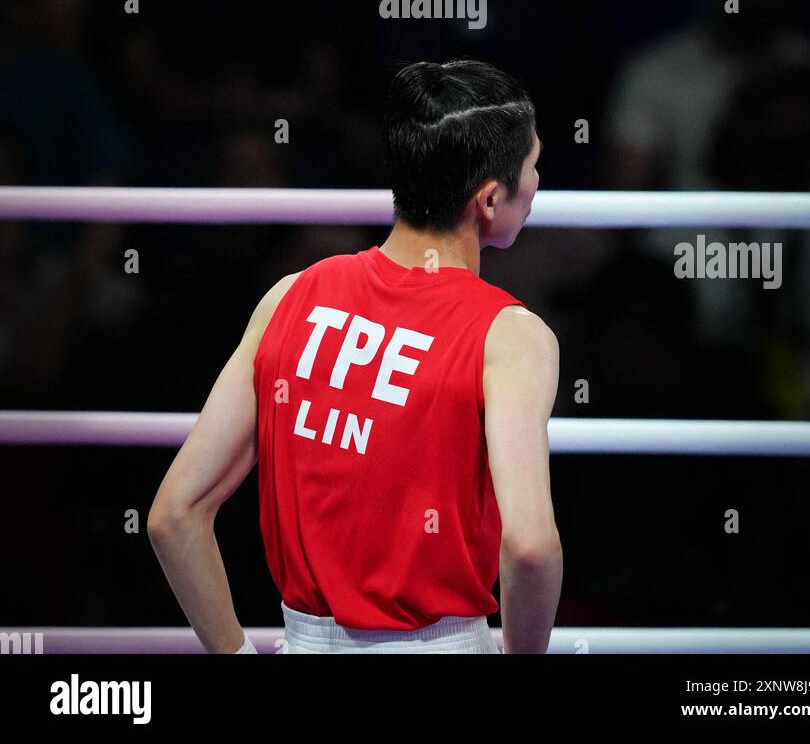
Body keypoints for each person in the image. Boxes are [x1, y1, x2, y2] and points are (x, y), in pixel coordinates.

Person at [148, 59, 562, 654]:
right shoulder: (510, 335)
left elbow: (172, 515)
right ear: (490, 199)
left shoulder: (289, 297)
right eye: (533, 166)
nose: (540, 180)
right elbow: (530, 547)